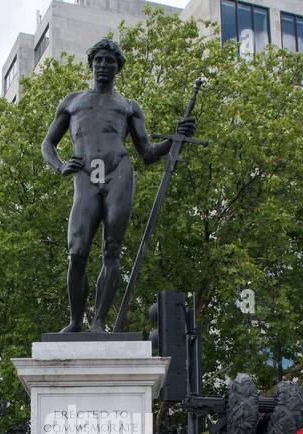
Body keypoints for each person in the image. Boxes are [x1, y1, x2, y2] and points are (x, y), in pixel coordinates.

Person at [41, 38, 197, 333]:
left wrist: (177, 138)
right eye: (98, 60)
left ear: (118, 67)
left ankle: (98, 321)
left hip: (119, 176)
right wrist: (60, 165)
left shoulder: (128, 106)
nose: (103, 65)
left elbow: (148, 153)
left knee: (111, 250)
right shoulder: (72, 101)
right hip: (86, 177)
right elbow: (47, 143)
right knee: (76, 251)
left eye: (109, 61)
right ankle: (76, 321)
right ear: (91, 64)